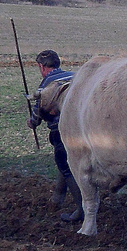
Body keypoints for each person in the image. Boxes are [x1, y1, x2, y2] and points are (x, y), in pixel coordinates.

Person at [26, 49, 79, 220]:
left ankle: (82, 209)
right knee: (67, 161)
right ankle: (58, 196)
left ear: (41, 66)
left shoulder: (47, 84)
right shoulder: (75, 76)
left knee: (66, 164)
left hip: (63, 130)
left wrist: (32, 122)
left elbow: (38, 112)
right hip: (83, 127)